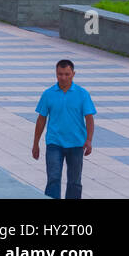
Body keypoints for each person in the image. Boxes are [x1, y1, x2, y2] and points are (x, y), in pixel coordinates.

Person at [33, 60, 95, 199]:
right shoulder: (48, 94)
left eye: (67, 74)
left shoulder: (82, 94)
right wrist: (35, 143)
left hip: (76, 144)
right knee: (53, 179)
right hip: (54, 143)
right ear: (56, 74)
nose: (63, 77)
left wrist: (89, 140)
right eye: (60, 74)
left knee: (74, 182)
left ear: (73, 74)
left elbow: (89, 118)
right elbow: (41, 119)